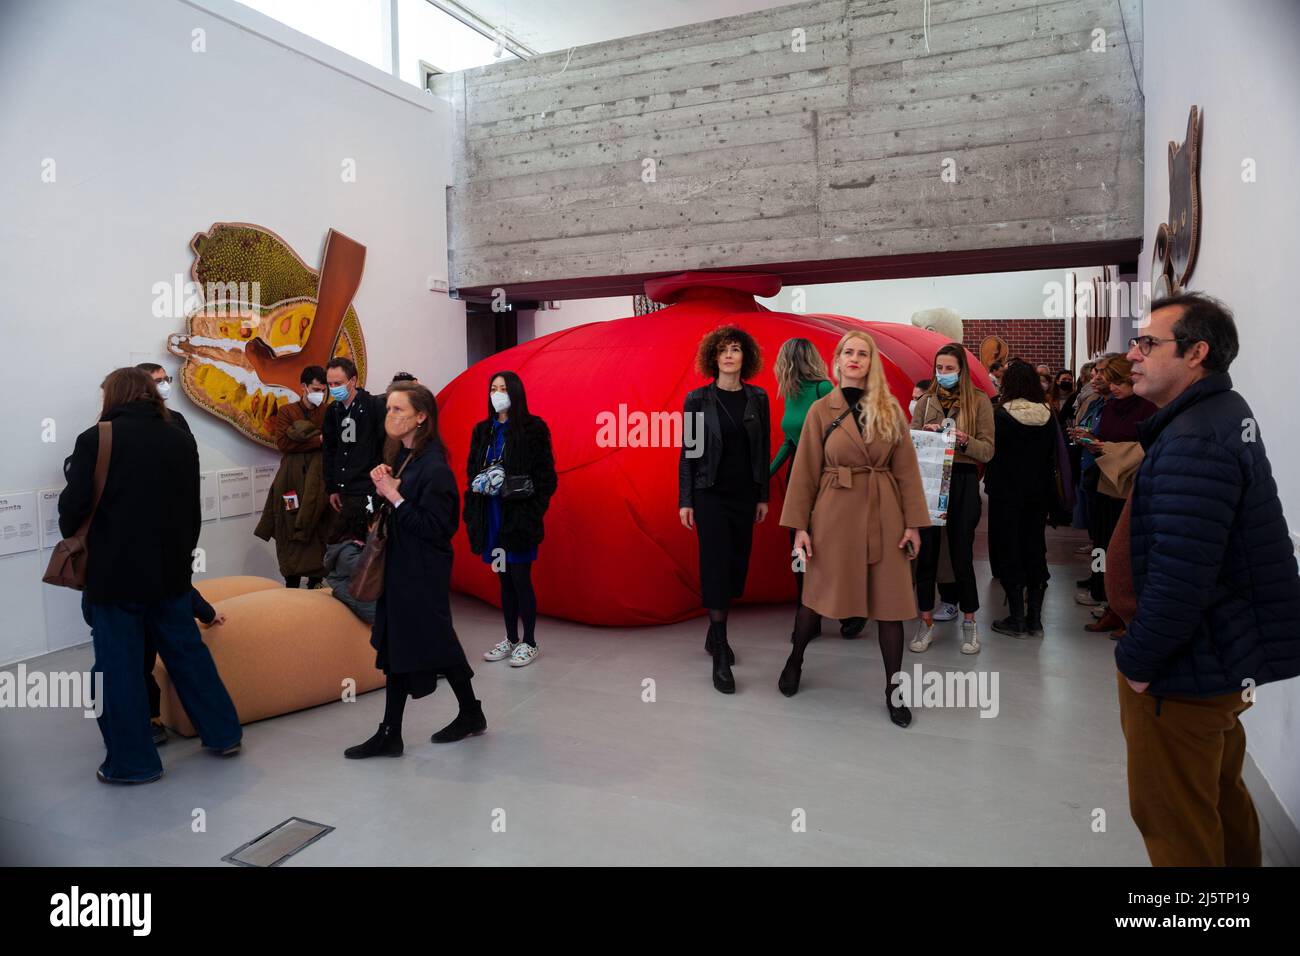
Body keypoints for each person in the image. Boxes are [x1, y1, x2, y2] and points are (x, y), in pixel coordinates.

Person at [1115, 292, 1300, 867]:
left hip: (1184, 668)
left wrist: (1140, 662)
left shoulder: (1194, 439)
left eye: (1149, 342)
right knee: (1217, 795)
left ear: (1196, 353)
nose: (1134, 354)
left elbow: (1182, 574)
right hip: (1216, 659)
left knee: (1175, 819)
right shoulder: (1219, 415)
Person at [60, 368, 241, 783]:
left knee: (118, 667)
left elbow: (73, 508)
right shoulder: (178, 437)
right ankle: (223, 733)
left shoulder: (96, 439)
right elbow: (191, 509)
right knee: (188, 655)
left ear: (114, 396)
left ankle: (133, 763)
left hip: (114, 575)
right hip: (170, 571)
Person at [778, 332, 928, 727]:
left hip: (885, 516)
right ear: (838, 360)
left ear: (871, 361)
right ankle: (795, 660)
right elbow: (805, 473)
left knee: (891, 604)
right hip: (833, 515)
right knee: (816, 596)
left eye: (863, 353)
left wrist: (914, 524)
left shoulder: (890, 409)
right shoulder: (821, 410)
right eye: (849, 352)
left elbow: (907, 471)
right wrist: (800, 528)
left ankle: (894, 690)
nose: (856, 358)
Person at [345, 383, 483, 758]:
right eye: (388, 409)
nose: (390, 416)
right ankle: (407, 728)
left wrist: (394, 495)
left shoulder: (434, 466)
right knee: (409, 645)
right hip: (401, 567)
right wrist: (383, 488)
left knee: (420, 644)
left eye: (398, 410)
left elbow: (437, 528)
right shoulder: (405, 456)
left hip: (421, 571)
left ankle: (404, 730)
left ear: (421, 417)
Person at [678, 325, 771, 694]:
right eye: (723, 350)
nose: (730, 355)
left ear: (745, 357)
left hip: (744, 495)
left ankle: (712, 631)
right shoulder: (698, 400)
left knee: (736, 567)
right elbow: (690, 451)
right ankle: (720, 649)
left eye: (736, 349)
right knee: (715, 565)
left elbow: (762, 450)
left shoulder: (758, 398)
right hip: (709, 494)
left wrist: (762, 494)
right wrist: (686, 499)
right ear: (713, 359)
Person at [770, 338, 865, 640]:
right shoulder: (792, 393)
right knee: (797, 545)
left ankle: (852, 610)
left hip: (824, 475)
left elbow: (847, 436)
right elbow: (790, 440)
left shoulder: (824, 389)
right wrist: (764, 475)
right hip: (797, 473)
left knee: (829, 544)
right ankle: (806, 612)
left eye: (788, 358)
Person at [464, 371, 558, 667]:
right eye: (493, 388)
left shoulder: (533, 429)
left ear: (515, 392)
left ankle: (529, 640)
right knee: (503, 579)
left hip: (518, 517)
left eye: (503, 388)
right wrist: (481, 484)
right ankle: (510, 638)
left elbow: (546, 478)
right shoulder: (483, 431)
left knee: (520, 578)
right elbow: (470, 470)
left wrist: (531, 511)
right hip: (490, 515)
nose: (497, 393)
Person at [909, 344, 995, 654]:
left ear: (962, 370)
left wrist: (963, 440)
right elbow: (912, 444)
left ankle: (970, 623)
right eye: (939, 368)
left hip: (963, 480)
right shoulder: (926, 401)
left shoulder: (980, 402)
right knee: (927, 556)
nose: (943, 374)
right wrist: (928, 436)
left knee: (961, 554)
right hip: (931, 480)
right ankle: (926, 621)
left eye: (949, 369)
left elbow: (988, 450)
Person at [983, 361, 1057, 637]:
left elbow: (990, 453)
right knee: (1035, 547)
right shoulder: (1049, 414)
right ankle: (1035, 619)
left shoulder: (1000, 414)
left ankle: (1016, 618)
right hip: (1039, 492)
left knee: (1009, 548)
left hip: (1006, 492)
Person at [1078, 355, 1155, 618]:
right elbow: (1106, 437)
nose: (1113, 387)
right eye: (1111, 382)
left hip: (1128, 488)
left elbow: (1146, 448)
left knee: (1123, 550)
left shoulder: (1147, 408)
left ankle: (1123, 606)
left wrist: (1103, 447)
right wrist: (1091, 441)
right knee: (1102, 544)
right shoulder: (1110, 407)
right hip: (1105, 484)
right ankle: (1102, 593)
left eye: (1118, 382)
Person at [254, 365, 329, 589]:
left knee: (318, 524)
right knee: (290, 522)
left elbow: (332, 440)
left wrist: (304, 438)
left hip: (319, 479)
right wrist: (318, 440)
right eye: (316, 389)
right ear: (304, 387)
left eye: (324, 390)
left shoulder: (327, 412)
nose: (320, 394)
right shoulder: (287, 411)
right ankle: (291, 581)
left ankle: (316, 579)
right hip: (291, 480)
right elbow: (284, 443)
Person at [321, 357, 386, 531]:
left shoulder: (374, 406)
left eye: (338, 383)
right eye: (330, 384)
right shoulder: (333, 411)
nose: (334, 388)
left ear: (353, 380)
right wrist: (332, 487)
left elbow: (384, 447)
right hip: (343, 491)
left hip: (368, 489)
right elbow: (329, 451)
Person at [322, 506, 375, 625]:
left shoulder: (352, 546)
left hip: (357, 589)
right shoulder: (348, 551)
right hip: (353, 592)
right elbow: (369, 570)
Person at [136, 363, 191, 434]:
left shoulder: (176, 417)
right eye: (158, 381)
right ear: (141, 385)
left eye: (166, 379)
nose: (165, 384)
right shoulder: (131, 418)